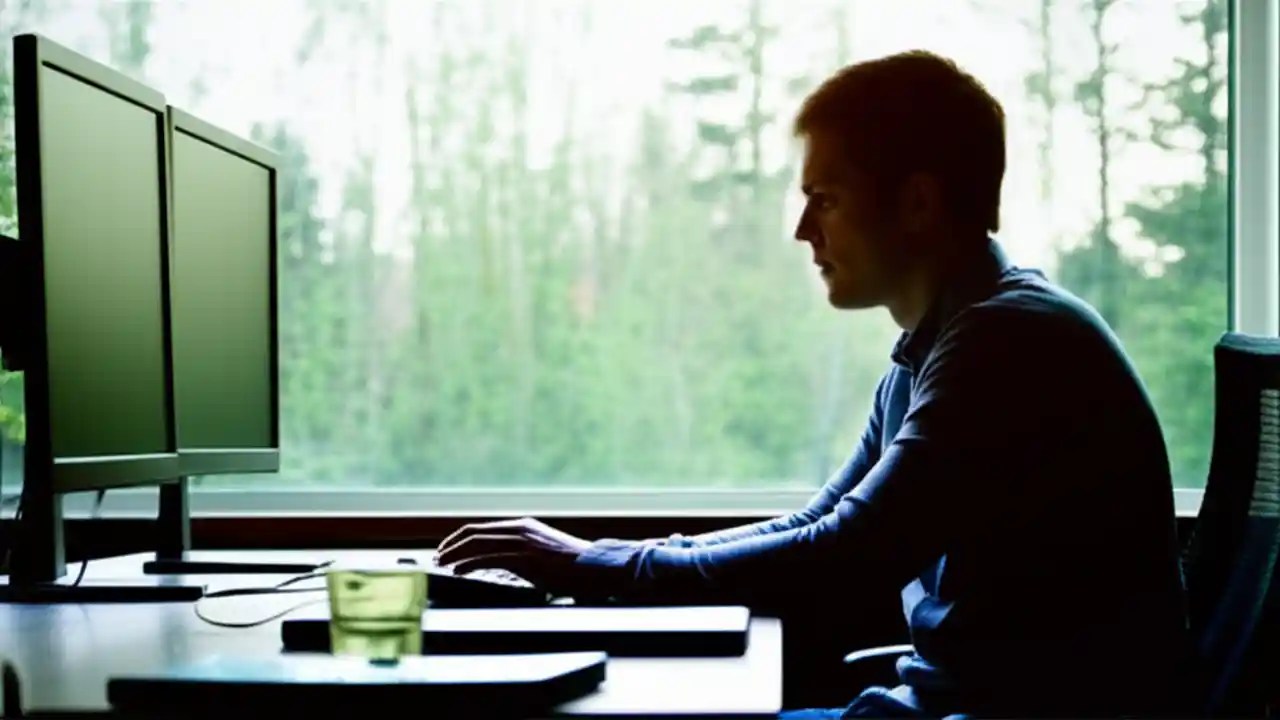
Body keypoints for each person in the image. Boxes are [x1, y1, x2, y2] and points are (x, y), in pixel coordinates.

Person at [436, 50, 1191, 719]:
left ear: (919, 204)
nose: (804, 230)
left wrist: (591, 564)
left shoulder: (1006, 341)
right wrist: (601, 558)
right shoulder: (938, 347)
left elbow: (842, 555)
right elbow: (819, 521)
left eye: (825, 198)